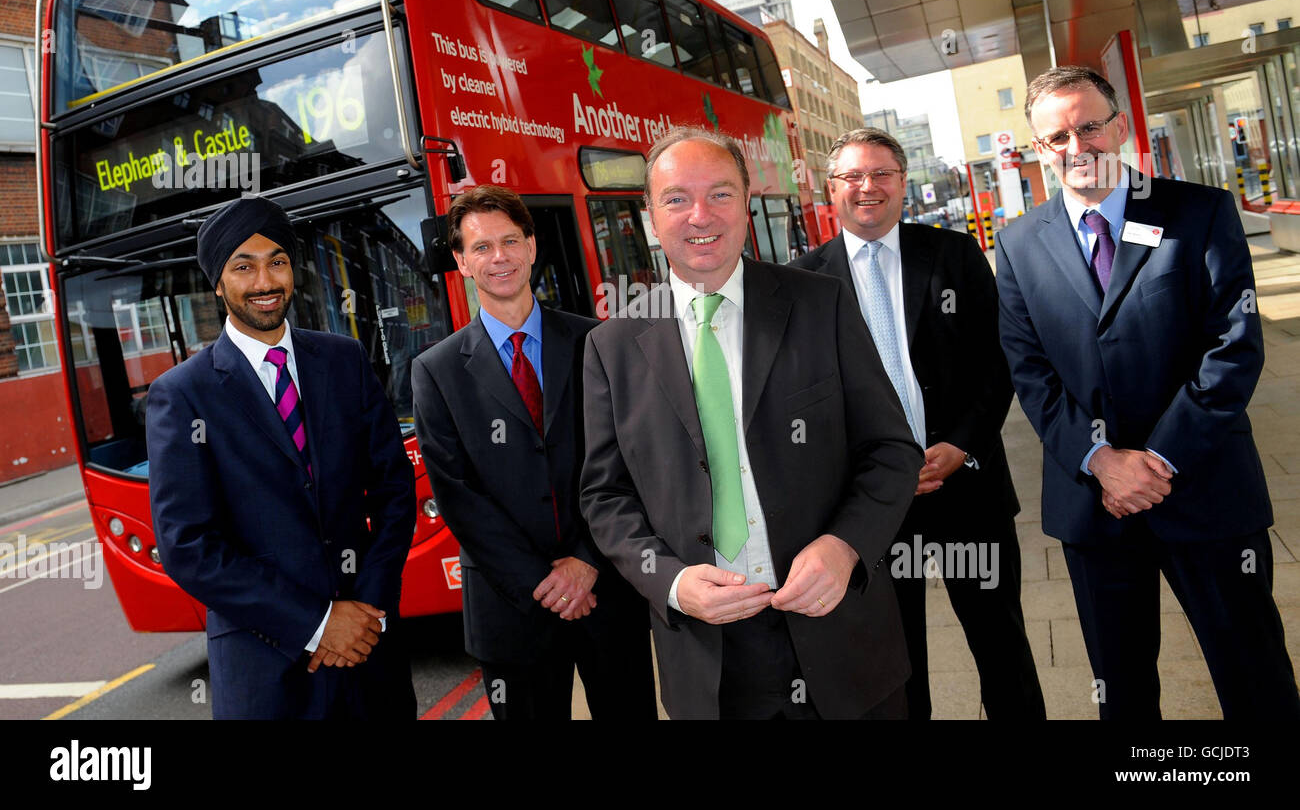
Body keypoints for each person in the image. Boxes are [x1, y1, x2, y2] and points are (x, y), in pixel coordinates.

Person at [580, 126, 923, 719]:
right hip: (711, 665)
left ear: (745, 201)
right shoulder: (611, 346)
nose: (699, 215)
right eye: (676, 198)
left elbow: (892, 449)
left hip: (841, 635)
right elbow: (605, 497)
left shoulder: (822, 303)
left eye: (720, 193)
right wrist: (668, 582)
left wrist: (845, 548)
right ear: (650, 218)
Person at [997, 65, 1300, 720]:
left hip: (1206, 491)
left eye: (1089, 127)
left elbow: (1234, 347)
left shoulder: (1199, 212)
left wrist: (1156, 461)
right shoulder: (1019, 243)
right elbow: (1031, 372)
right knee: (1122, 693)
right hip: (1094, 507)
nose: (1077, 148)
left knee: (1256, 680)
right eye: (1056, 137)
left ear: (1121, 126)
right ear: (1038, 149)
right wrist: (1103, 460)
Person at [791, 128, 1045, 720]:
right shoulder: (803, 282)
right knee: (895, 663)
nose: (867, 187)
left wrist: (962, 443)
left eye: (881, 173)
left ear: (903, 184)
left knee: (1001, 642)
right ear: (831, 189)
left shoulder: (954, 254)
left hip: (966, 487)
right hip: (870, 505)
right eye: (852, 176)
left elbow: (997, 358)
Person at [146, 196, 417, 719]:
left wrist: (368, 611)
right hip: (266, 675)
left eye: (277, 261)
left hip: (370, 654)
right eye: (243, 266)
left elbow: (394, 490)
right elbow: (189, 546)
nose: (265, 281)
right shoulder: (182, 394)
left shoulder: (344, 360)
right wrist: (317, 623)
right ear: (218, 283)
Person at [411, 185, 655, 720]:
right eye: (480, 247)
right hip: (511, 607)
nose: (498, 258)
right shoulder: (436, 369)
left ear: (531, 247)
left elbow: (630, 462)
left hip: (608, 590)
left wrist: (587, 562)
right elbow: (458, 494)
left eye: (509, 241)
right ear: (460, 261)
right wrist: (544, 582)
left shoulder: (597, 342)